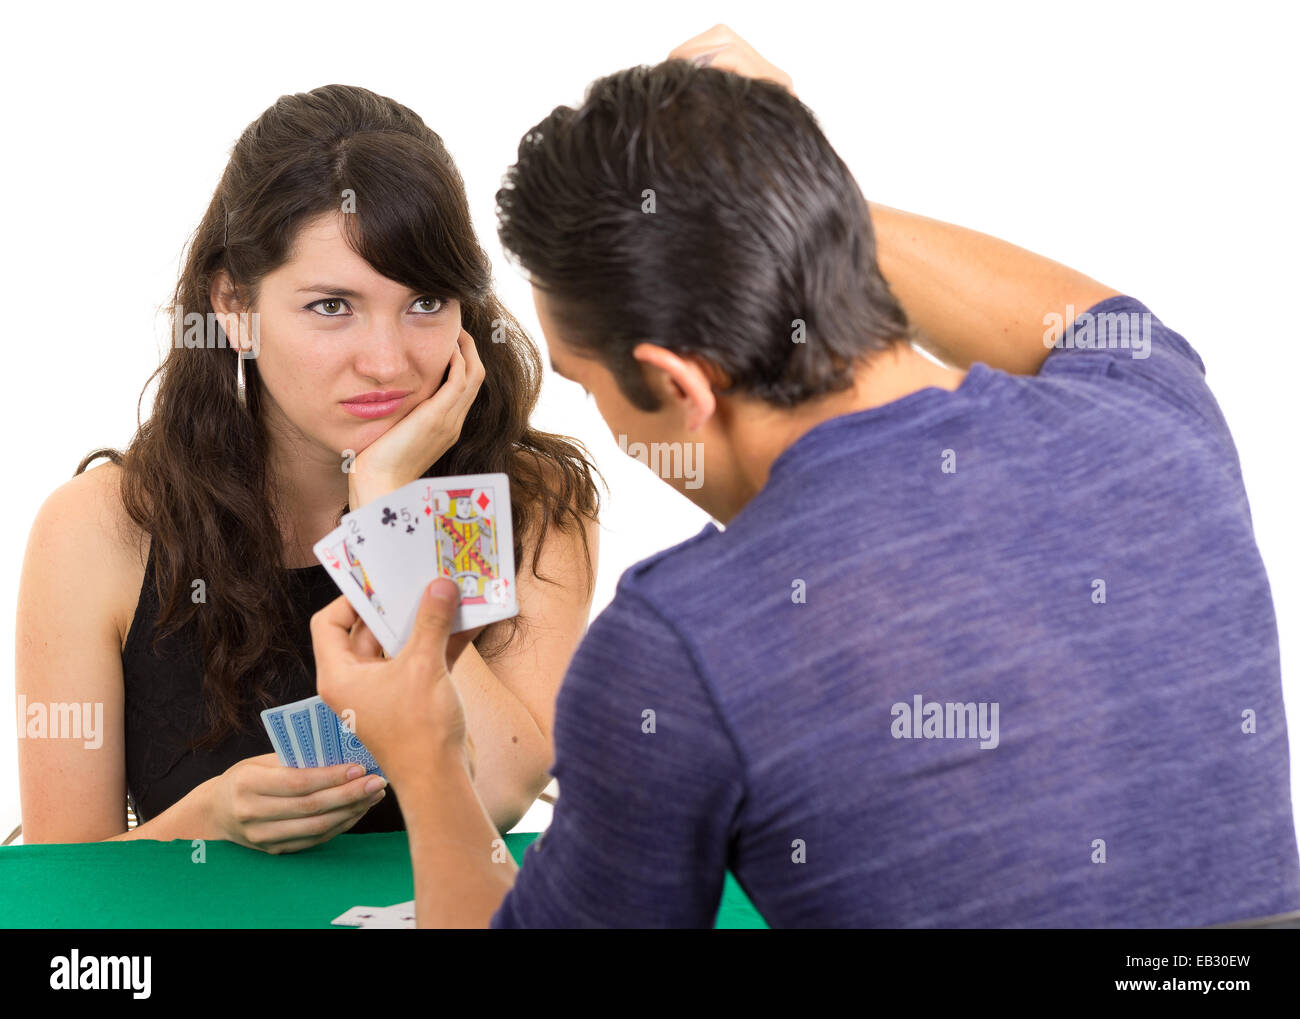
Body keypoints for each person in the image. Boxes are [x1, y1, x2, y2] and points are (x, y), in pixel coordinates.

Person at [314, 25, 1300, 926]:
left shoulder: (679, 640)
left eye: (586, 384)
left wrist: (423, 750)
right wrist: (783, 186)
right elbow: (1084, 315)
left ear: (675, 383)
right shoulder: (1156, 413)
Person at [16, 84, 601, 854]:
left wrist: (386, 509)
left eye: (425, 302)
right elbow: (59, 881)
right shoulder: (102, 529)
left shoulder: (531, 507)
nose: (388, 361)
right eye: (332, 306)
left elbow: (495, 791)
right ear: (234, 305)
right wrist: (207, 821)